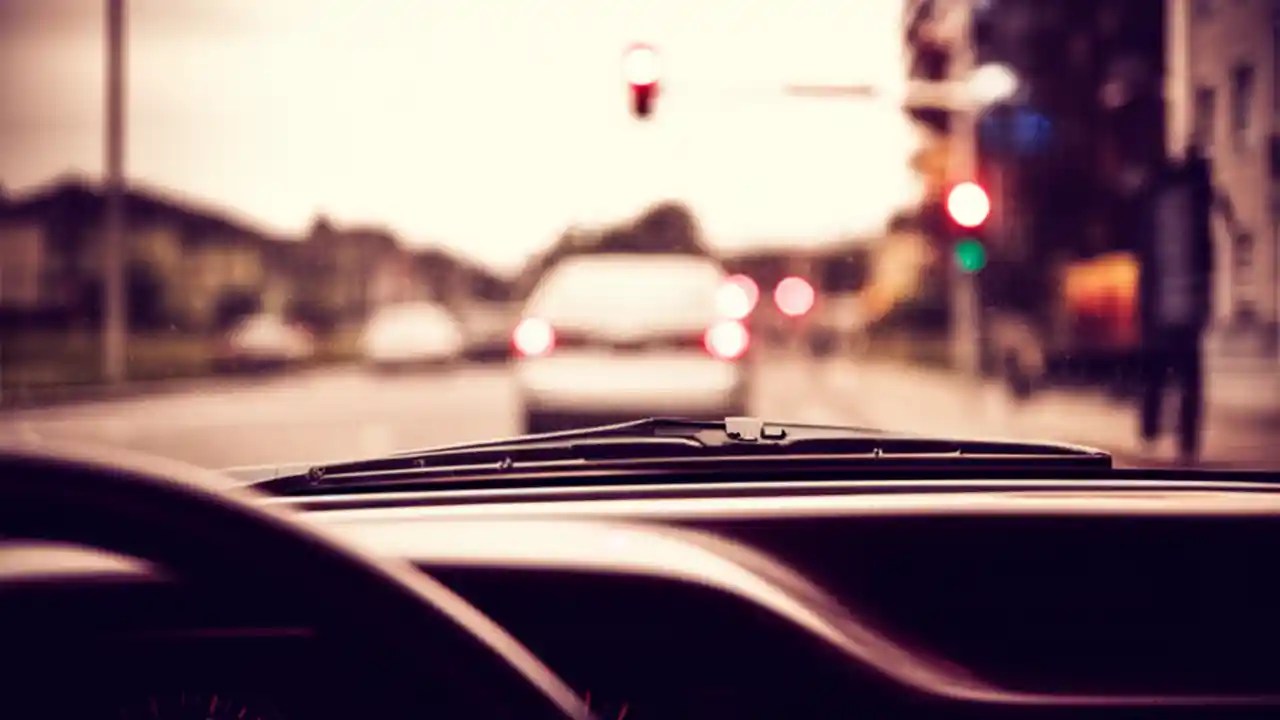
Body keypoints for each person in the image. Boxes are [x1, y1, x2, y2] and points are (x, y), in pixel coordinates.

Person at [1136, 142, 1215, 464]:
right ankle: (1164, 432)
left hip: (1181, 305)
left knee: (1180, 373)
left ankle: (1179, 437)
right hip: (1170, 304)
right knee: (1170, 372)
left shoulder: (1183, 208)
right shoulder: (1174, 208)